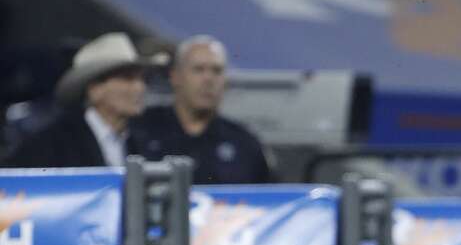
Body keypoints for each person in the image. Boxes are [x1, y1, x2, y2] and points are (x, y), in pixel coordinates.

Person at [131, 35, 271, 185]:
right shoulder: (139, 131)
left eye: (217, 71)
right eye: (198, 69)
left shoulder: (245, 144)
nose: (208, 79)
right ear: (175, 76)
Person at [1, 33, 148, 169]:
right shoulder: (50, 145)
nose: (140, 87)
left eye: (141, 79)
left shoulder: (143, 143)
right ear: (95, 90)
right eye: (127, 78)